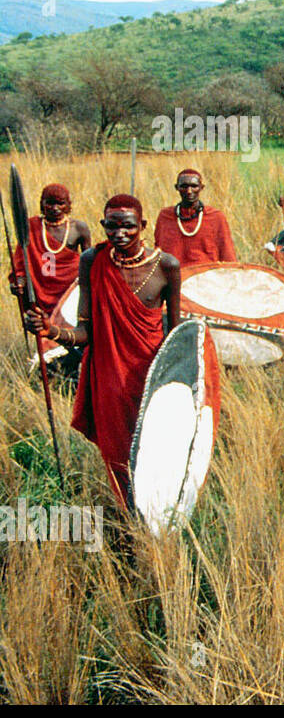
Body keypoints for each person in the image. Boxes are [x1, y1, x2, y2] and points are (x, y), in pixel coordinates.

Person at [24, 196, 182, 509]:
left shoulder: (167, 266)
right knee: (119, 458)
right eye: (112, 225)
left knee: (155, 452)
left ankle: (158, 512)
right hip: (109, 377)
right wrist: (50, 330)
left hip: (150, 374)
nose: (120, 233)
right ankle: (129, 516)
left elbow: (176, 335)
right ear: (102, 225)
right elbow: (86, 333)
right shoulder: (92, 261)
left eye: (128, 226)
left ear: (143, 227)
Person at [9, 183, 91, 316]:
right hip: (40, 289)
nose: (55, 208)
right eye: (50, 203)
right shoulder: (31, 227)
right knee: (43, 328)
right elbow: (20, 261)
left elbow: (88, 262)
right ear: (42, 204)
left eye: (60, 203)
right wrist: (19, 281)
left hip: (71, 290)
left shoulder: (79, 228)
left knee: (71, 329)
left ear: (68, 205)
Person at [153, 169, 237, 267]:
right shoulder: (165, 216)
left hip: (207, 278)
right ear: (177, 188)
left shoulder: (215, 217)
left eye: (194, 186)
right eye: (184, 186)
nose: (189, 191)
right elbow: (158, 253)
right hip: (174, 278)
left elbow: (227, 254)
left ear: (201, 188)